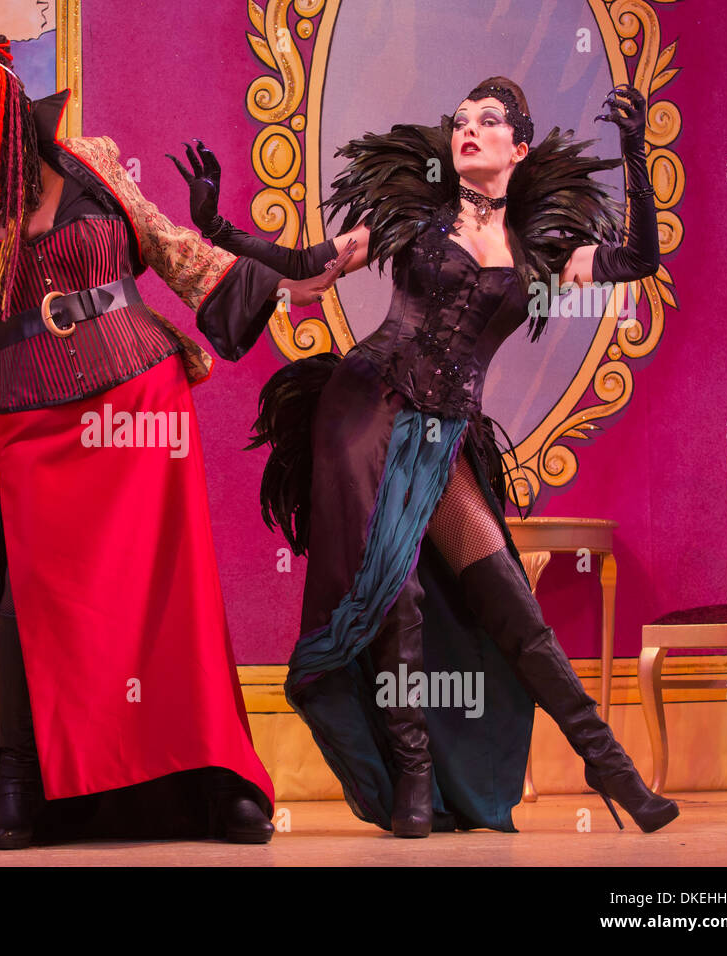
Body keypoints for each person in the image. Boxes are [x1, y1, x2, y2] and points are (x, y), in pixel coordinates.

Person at [0, 26, 347, 848]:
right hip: (33, 414)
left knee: (172, 599)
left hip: (141, 397)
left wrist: (295, 280)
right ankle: (28, 785)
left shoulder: (90, 161)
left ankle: (213, 781)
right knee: (42, 608)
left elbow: (177, 255)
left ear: (0, 107)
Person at [172, 77, 679, 836]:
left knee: (508, 597)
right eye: (463, 121)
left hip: (442, 436)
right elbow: (309, 266)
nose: (469, 130)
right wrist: (219, 227)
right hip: (364, 408)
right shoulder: (415, 219)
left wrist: (635, 154)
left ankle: (613, 770)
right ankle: (411, 778)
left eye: (490, 121)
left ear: (521, 146)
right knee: (394, 593)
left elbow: (638, 259)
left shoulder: (539, 251)